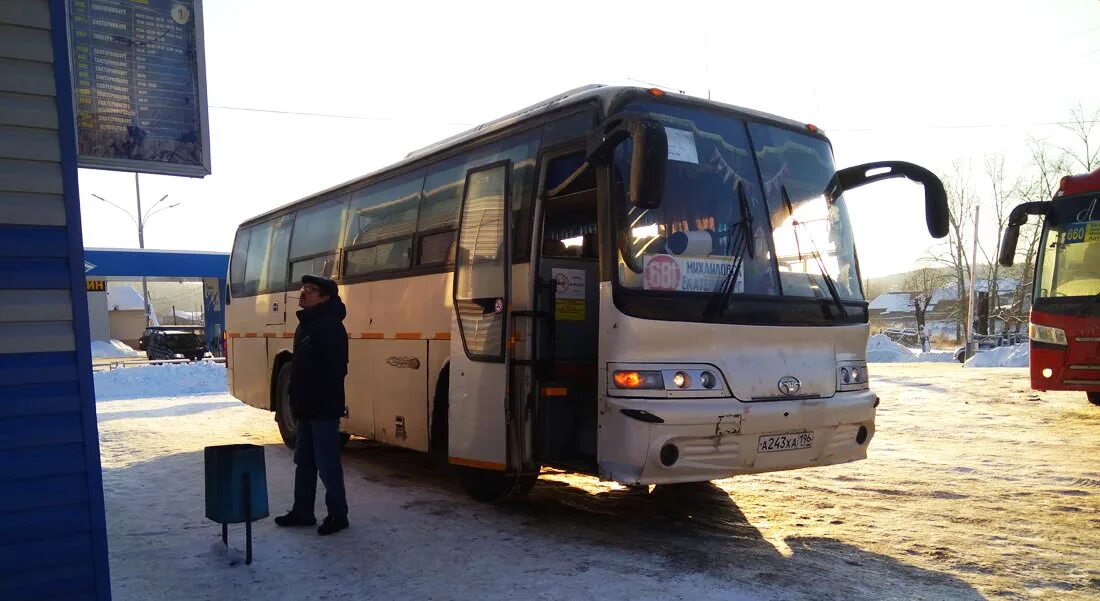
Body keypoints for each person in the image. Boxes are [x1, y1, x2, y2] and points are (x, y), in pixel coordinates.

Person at [274, 274, 350, 536]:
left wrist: (317, 399)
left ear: (325, 297)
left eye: (310, 289)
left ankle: (338, 515)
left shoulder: (329, 326)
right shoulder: (307, 324)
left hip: (323, 408)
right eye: (303, 288)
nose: (303, 292)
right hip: (306, 407)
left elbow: (336, 370)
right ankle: (303, 511)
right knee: (304, 461)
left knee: (327, 464)